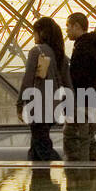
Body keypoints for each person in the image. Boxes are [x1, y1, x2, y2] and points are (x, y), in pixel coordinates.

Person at [64, 11, 96, 163]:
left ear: (77, 26)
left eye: (68, 26)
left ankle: (81, 179)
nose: (66, 30)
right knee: (89, 141)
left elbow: (78, 80)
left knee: (75, 142)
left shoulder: (83, 48)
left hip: (84, 105)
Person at [16, 16, 69, 163]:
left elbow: (27, 80)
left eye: (35, 32)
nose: (34, 36)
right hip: (55, 107)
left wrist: (20, 103)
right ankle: (38, 182)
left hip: (38, 106)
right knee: (35, 148)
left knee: (42, 146)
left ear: (42, 33)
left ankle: (70, 172)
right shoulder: (61, 56)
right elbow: (68, 85)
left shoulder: (36, 51)